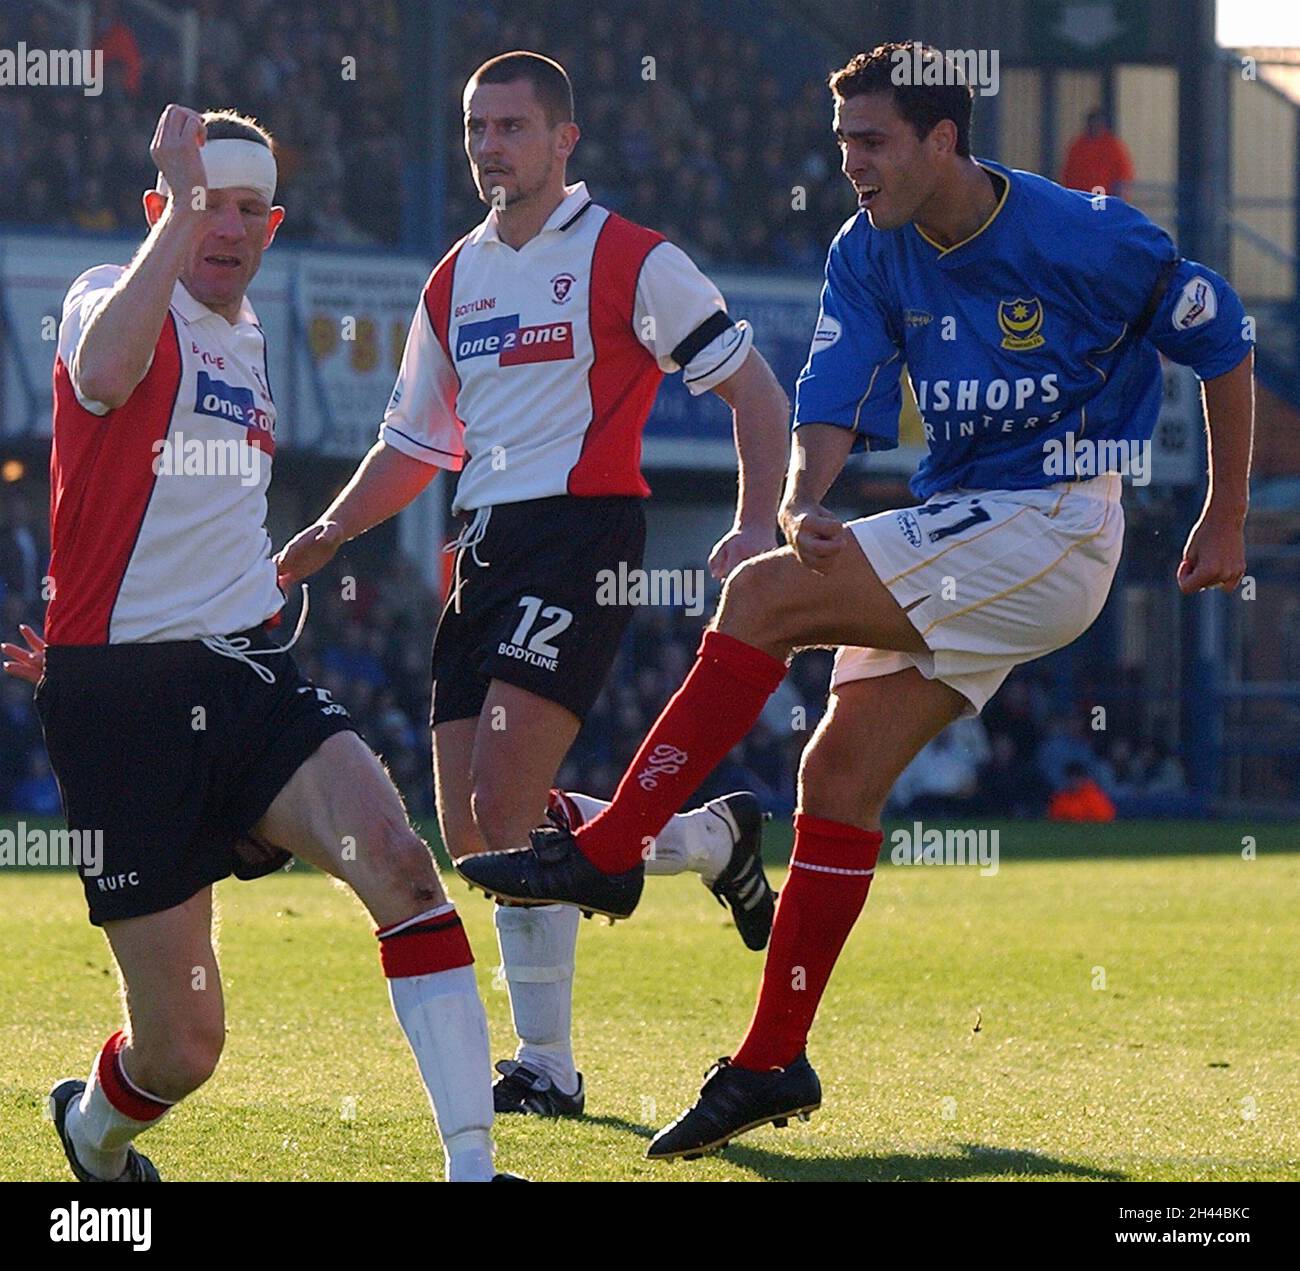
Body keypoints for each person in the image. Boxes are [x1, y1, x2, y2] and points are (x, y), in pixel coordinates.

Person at [457, 41, 1254, 1160]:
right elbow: (825, 402)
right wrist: (794, 501)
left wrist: (1221, 514)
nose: (853, 168)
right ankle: (771, 1057)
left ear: (942, 140)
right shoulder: (865, 250)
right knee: (832, 771)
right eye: (841, 147)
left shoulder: (1085, 232)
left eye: (872, 143)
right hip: (975, 524)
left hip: (1056, 520)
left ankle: (615, 847)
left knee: (765, 603)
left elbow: (1220, 340)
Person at [2, 105, 514, 1183]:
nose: (222, 228)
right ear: (162, 207)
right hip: (119, 705)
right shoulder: (110, 291)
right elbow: (101, 373)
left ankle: (473, 1165)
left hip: (245, 673)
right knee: (184, 1047)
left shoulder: (249, 340)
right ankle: (92, 1135)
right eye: (201, 205)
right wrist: (96, 652)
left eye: (244, 210)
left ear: (272, 224)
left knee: (405, 867)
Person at [275, 52, 790, 1119]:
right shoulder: (453, 277)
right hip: (484, 546)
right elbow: (413, 442)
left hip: (584, 535)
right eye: (476, 129)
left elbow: (757, 393)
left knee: (505, 800)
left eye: (511, 127)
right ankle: (707, 837)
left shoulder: (632, 257)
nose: (489, 147)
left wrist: (751, 526)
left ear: (565, 141)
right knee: (480, 838)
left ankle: (545, 1068)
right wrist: (330, 528)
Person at [1061, 108, 1135, 199]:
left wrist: (1120, 195)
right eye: (1093, 123)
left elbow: (1123, 173)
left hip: (1104, 195)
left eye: (1099, 123)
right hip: (1081, 195)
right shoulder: (1078, 146)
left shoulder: (1112, 146)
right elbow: (1068, 171)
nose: (1095, 126)